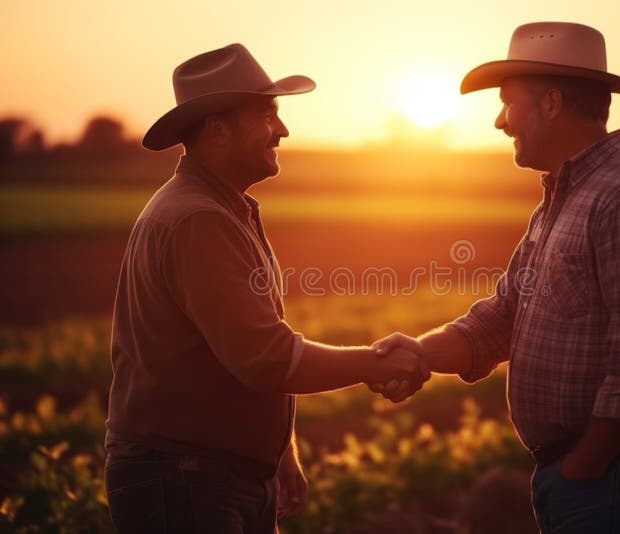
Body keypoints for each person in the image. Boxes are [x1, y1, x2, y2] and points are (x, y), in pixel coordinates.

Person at [371, 22, 620, 533]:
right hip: (589, 475)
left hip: (616, 476)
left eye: (509, 103)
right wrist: (420, 352)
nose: (499, 121)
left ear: (551, 104)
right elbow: (505, 316)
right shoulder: (567, 199)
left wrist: (584, 467)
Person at [104, 43, 430, 533]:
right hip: (185, 479)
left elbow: (243, 348)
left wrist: (280, 450)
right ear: (218, 130)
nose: (282, 130)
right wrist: (374, 362)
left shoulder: (220, 209)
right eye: (267, 115)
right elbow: (265, 357)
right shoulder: (200, 220)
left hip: (205, 475)